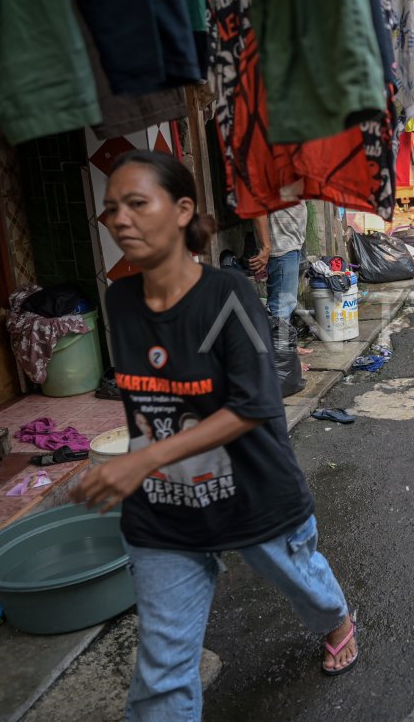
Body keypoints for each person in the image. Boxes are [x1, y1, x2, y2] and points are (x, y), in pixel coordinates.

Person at [72, 151, 358, 720]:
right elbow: (148, 400)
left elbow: (255, 404)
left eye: (137, 203)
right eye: (111, 208)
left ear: (182, 210)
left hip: (253, 490)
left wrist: (139, 460)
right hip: (165, 507)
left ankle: (338, 621)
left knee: (304, 583)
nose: (120, 219)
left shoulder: (228, 293)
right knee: (162, 674)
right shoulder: (120, 301)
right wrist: (141, 464)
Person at [251, 202, 308, 323]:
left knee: (284, 307)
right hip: (282, 249)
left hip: (290, 246)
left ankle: (280, 334)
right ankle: (280, 335)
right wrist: (266, 248)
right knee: (282, 309)